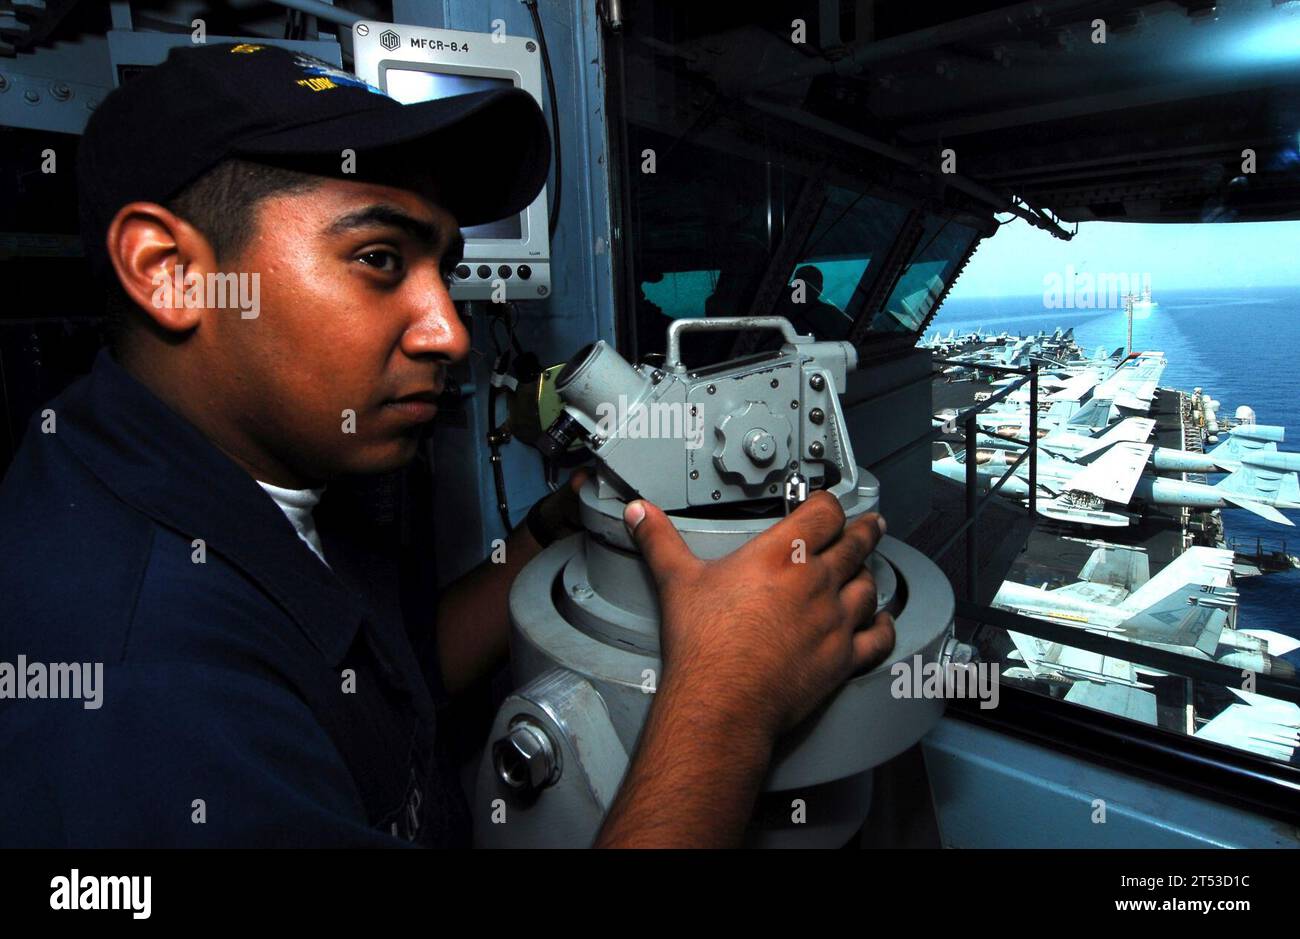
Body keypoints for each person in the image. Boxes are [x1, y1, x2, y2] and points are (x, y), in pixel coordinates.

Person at [0, 43, 894, 848]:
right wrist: (728, 701)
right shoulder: (133, 692)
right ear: (172, 273)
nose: (449, 334)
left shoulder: (249, 471)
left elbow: (388, 675)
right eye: (380, 259)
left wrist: (551, 528)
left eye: (445, 268)